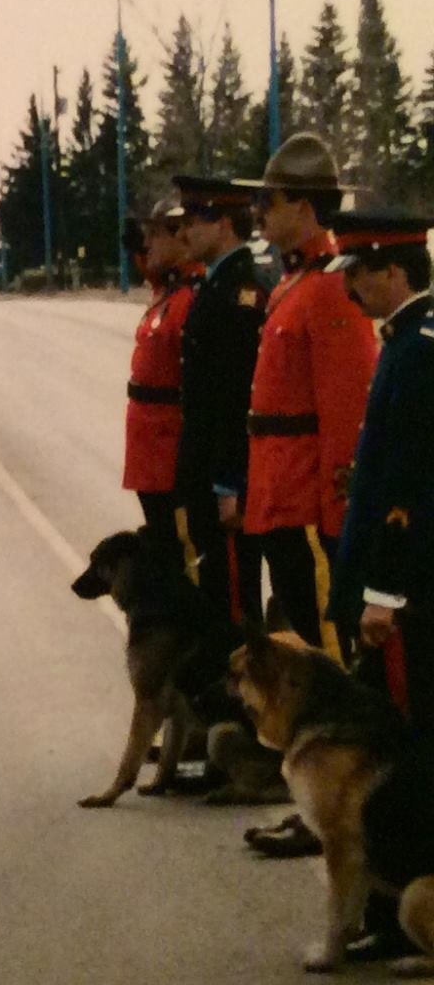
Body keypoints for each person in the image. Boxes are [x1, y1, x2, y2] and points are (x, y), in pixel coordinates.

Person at [230, 134, 379, 858]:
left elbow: (347, 413)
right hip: (278, 491)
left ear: (306, 205)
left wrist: (339, 520)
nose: (259, 211)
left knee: (325, 663)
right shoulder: (295, 282)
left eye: (270, 200)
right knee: (301, 658)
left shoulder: (329, 290)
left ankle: (337, 808)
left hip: (309, 500)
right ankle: (314, 806)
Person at [331, 211, 434, 724]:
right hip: (397, 579)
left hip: (407, 583)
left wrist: (384, 592)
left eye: (359, 272)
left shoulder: (418, 351)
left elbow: (409, 484)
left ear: (395, 272)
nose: (350, 286)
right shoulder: (405, 341)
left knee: (409, 718)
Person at [170, 173, 268, 634]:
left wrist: (229, 482)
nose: (185, 232)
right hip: (204, 469)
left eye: (195, 220)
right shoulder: (215, 285)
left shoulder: (242, 291)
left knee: (231, 600)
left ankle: (239, 697)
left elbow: (235, 395)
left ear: (225, 224)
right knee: (209, 590)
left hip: (222, 477)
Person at [123, 196, 203, 557]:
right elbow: (148, 265)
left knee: (183, 550)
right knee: (163, 546)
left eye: (155, 235)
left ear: (180, 237)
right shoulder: (167, 292)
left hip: (170, 451)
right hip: (150, 451)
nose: (147, 244)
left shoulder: (192, 298)